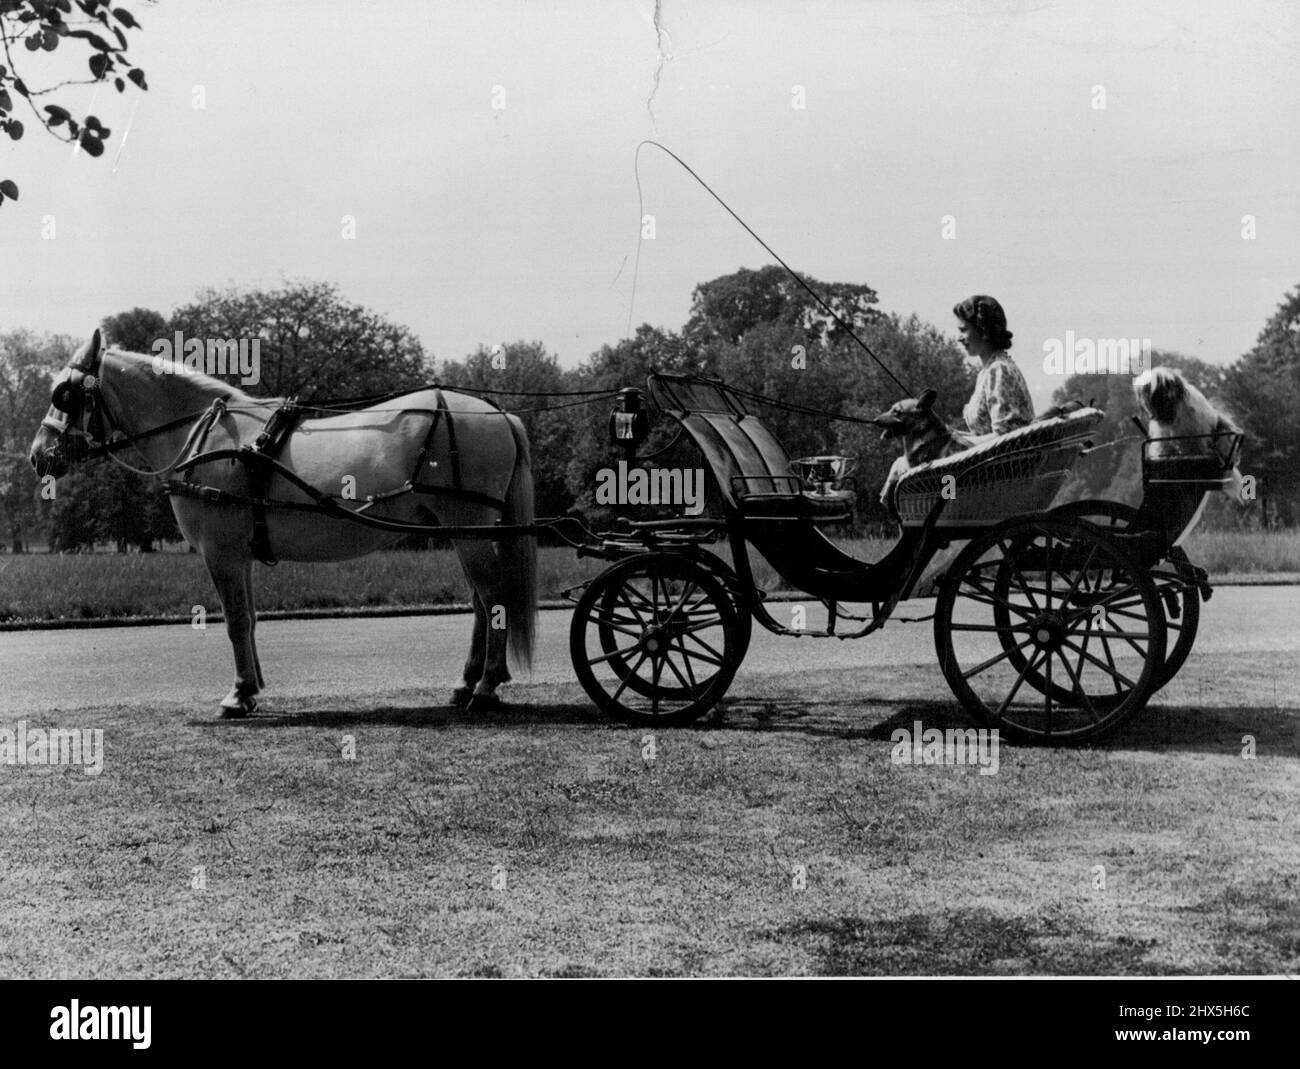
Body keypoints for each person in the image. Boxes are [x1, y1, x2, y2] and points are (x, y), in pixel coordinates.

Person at [953, 295, 1034, 437]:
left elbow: (1004, 438)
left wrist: (959, 443)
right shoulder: (987, 372)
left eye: (964, 330)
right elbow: (986, 435)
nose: (959, 338)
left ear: (983, 330)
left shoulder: (999, 370)